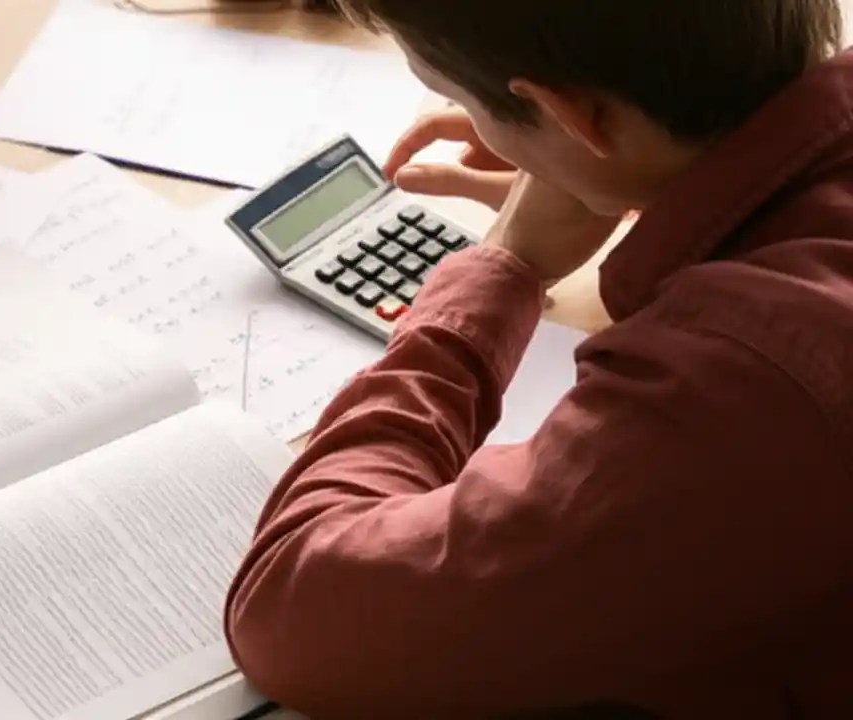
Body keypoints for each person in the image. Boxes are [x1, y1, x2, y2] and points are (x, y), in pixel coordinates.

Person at [224, 1, 853, 718]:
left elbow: (294, 614)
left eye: (461, 98)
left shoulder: (738, 386)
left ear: (574, 116)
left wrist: (500, 266)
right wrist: (643, 186)